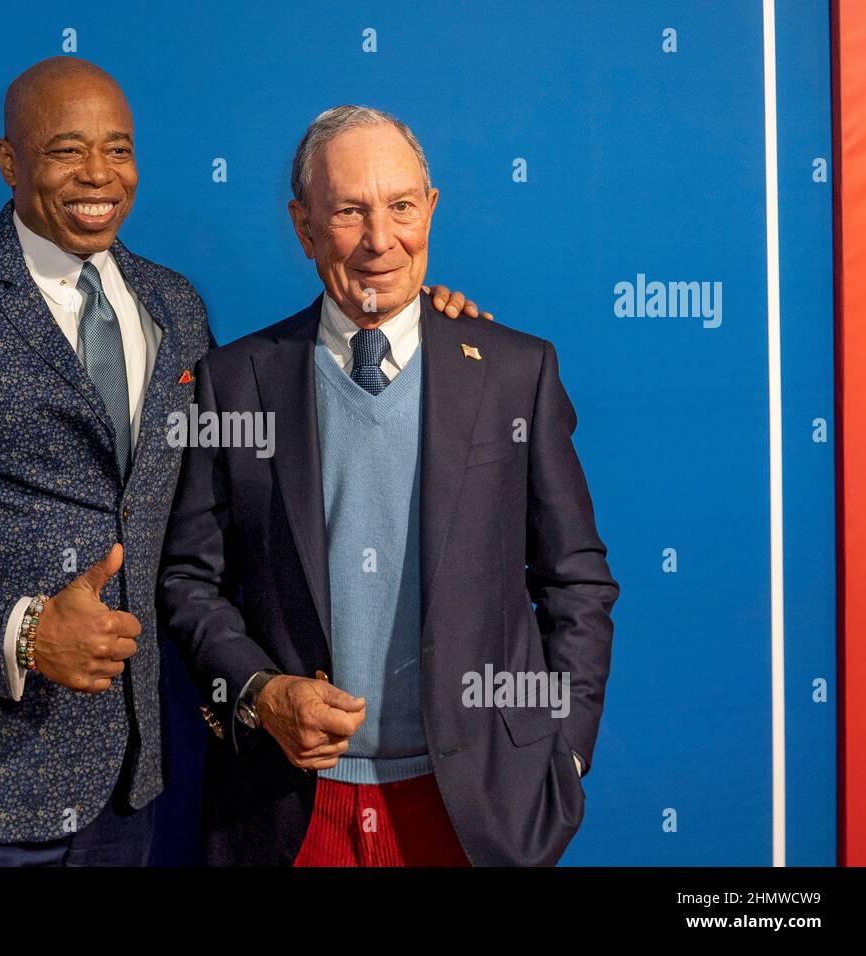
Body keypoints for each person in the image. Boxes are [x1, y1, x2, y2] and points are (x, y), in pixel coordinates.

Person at [0, 56, 490, 866]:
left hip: (136, 772)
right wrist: (23, 633)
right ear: (10, 162)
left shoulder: (174, 306)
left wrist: (421, 326)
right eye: (67, 151)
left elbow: (219, 513)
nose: (98, 175)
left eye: (120, 149)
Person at [158, 105, 619, 866]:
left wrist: (562, 756)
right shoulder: (235, 381)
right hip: (286, 813)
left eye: (402, 206)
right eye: (349, 212)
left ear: (430, 210)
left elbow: (577, 583)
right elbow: (188, 579)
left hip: (474, 809)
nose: (381, 240)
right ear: (303, 227)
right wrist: (260, 694)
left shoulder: (513, 372)